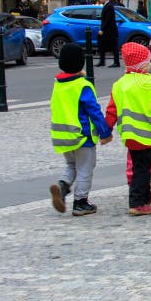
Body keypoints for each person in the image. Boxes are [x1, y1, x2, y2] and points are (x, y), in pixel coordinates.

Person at [103, 43, 151, 216]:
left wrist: (106, 131)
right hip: (147, 134)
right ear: (142, 64)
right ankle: (137, 203)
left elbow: (111, 110)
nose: (150, 65)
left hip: (129, 135)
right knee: (142, 169)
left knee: (139, 167)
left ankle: (146, 195)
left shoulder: (119, 84)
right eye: (148, 61)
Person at [48, 43, 112, 216]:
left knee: (71, 165)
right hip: (82, 136)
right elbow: (94, 112)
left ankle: (62, 186)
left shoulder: (58, 84)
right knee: (85, 168)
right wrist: (105, 133)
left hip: (62, 136)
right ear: (81, 64)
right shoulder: (83, 86)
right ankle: (80, 201)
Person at [97, 0, 119, 67]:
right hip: (107, 31)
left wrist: (102, 29)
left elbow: (107, 19)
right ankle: (102, 61)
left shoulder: (109, 6)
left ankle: (116, 62)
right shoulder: (107, 5)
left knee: (114, 47)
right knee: (102, 45)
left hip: (110, 31)